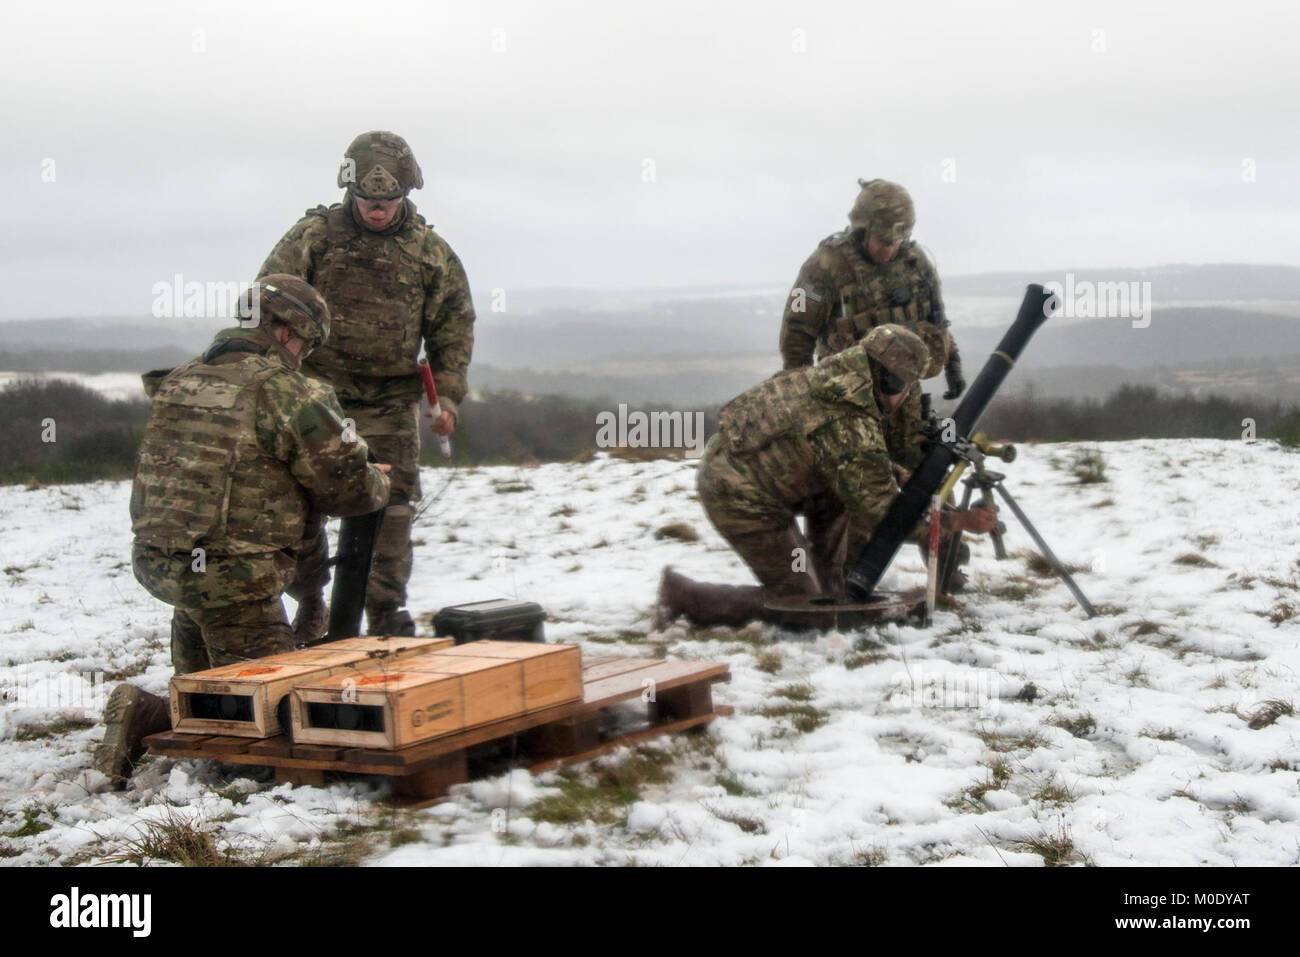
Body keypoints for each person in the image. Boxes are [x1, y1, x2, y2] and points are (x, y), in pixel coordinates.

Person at [93, 275, 390, 785]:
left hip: (167, 567)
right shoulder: (283, 390)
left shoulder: (181, 378)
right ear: (288, 332)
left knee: (212, 688)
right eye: (307, 344)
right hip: (232, 580)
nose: (304, 355)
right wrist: (378, 481)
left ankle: (175, 708)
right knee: (276, 731)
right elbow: (346, 489)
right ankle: (149, 716)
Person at [257, 131, 476, 637]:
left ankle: (384, 617)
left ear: (406, 196)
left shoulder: (430, 253)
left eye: (388, 202)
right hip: (314, 398)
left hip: (391, 402)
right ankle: (311, 600)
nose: (377, 210)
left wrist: (447, 397)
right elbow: (268, 303)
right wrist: (272, 381)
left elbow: (453, 327)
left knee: (391, 512)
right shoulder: (313, 237)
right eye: (368, 201)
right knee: (300, 505)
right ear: (349, 192)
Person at [656, 325, 996, 630]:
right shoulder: (849, 423)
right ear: (891, 381)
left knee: (840, 498)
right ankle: (685, 598)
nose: (908, 394)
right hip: (739, 495)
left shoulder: (833, 377)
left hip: (769, 476)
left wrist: (894, 471)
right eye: (908, 385)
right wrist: (958, 521)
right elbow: (886, 519)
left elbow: (844, 462)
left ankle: (832, 592)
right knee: (799, 605)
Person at [780, 178, 973, 582]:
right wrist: (798, 389)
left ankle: (947, 564)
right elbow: (797, 331)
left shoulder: (917, 264)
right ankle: (852, 577)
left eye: (897, 242)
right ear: (861, 228)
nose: (889, 250)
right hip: (849, 400)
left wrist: (952, 363)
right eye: (882, 241)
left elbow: (937, 320)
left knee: (930, 474)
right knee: (858, 486)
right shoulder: (825, 266)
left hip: (906, 398)